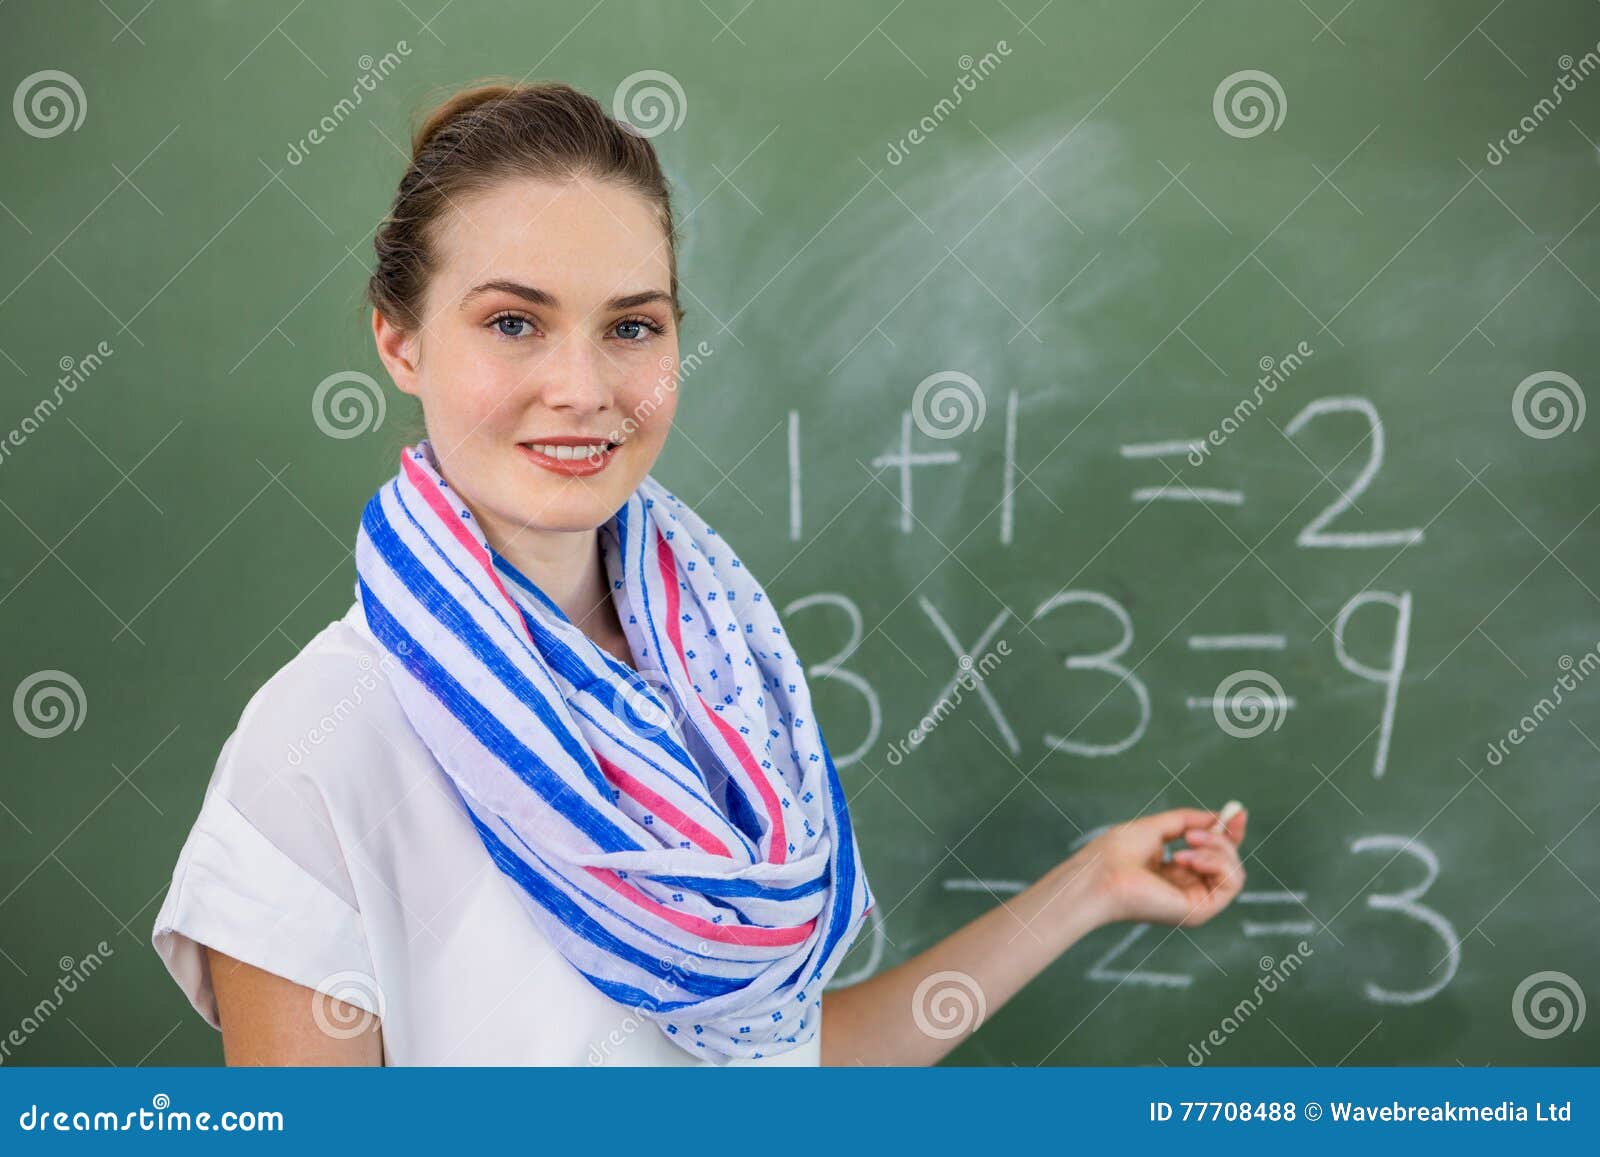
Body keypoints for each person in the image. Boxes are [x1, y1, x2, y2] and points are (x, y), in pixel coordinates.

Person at [150, 79, 1248, 1067]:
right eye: (513, 321)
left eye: (631, 325)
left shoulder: (725, 675)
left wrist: (1089, 884)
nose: (582, 387)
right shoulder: (318, 744)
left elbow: (785, 1077)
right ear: (400, 342)